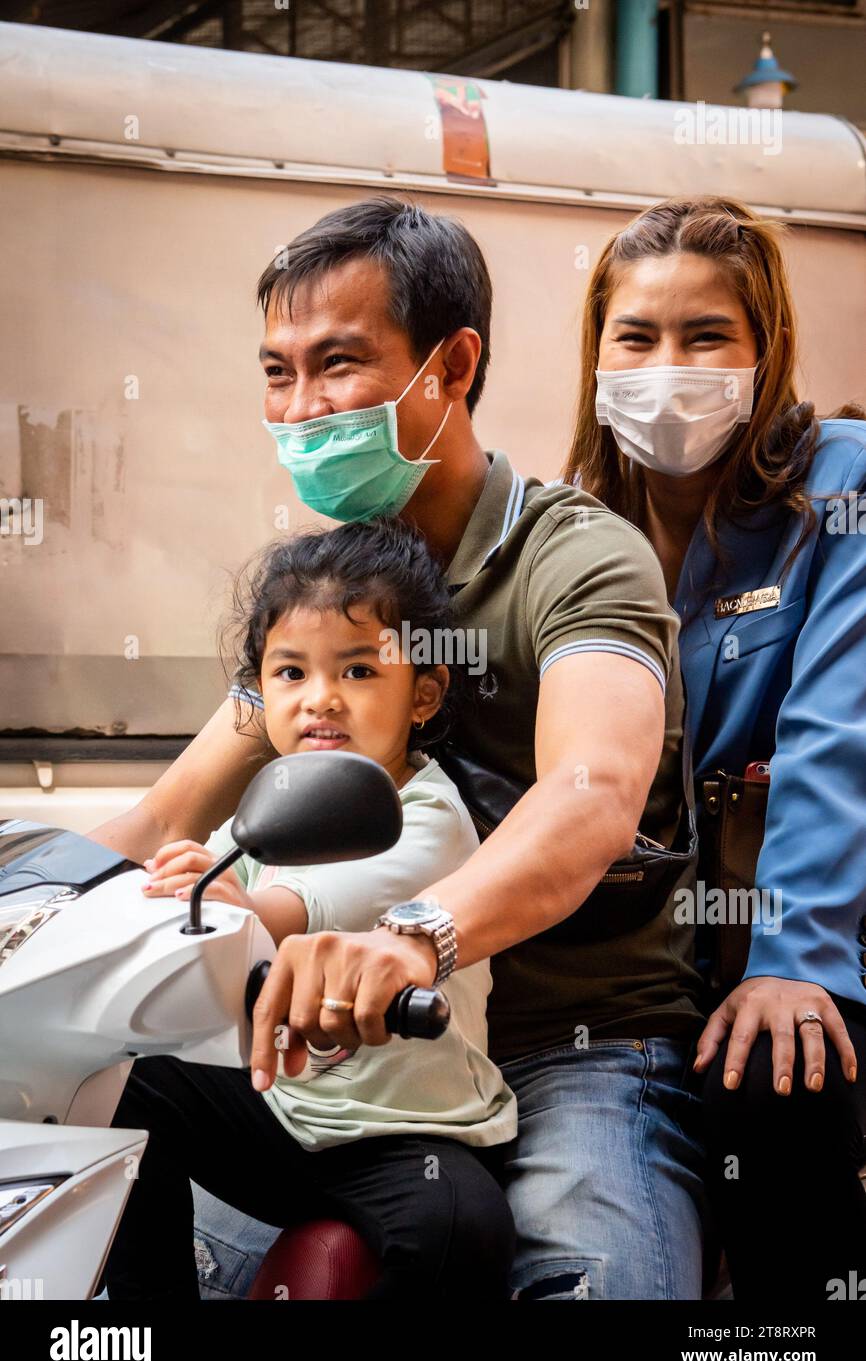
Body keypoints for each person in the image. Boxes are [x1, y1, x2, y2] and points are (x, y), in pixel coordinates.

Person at [93, 196, 708, 1300]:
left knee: (596, 1288)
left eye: (337, 364)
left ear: (452, 364)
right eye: (276, 373)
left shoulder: (575, 558)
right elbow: (161, 816)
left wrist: (418, 937)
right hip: (363, 1055)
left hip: (572, 1040)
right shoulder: (328, 599)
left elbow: (593, 788)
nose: (298, 407)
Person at [564, 193, 866, 1300]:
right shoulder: (575, 529)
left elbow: (833, 732)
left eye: (705, 337)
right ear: (596, 355)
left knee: (773, 1078)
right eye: (635, 337)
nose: (664, 366)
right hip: (646, 968)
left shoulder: (838, 482)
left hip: (813, 935)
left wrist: (793, 962)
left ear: (763, 350)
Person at [104, 518, 518, 1301]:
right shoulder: (264, 810)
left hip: (408, 1138)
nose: (320, 698)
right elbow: (201, 885)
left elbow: (296, 905)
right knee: (114, 1082)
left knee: (462, 1225)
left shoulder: (427, 815)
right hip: (281, 1112)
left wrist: (232, 899)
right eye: (291, 674)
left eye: (359, 672)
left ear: (423, 695)